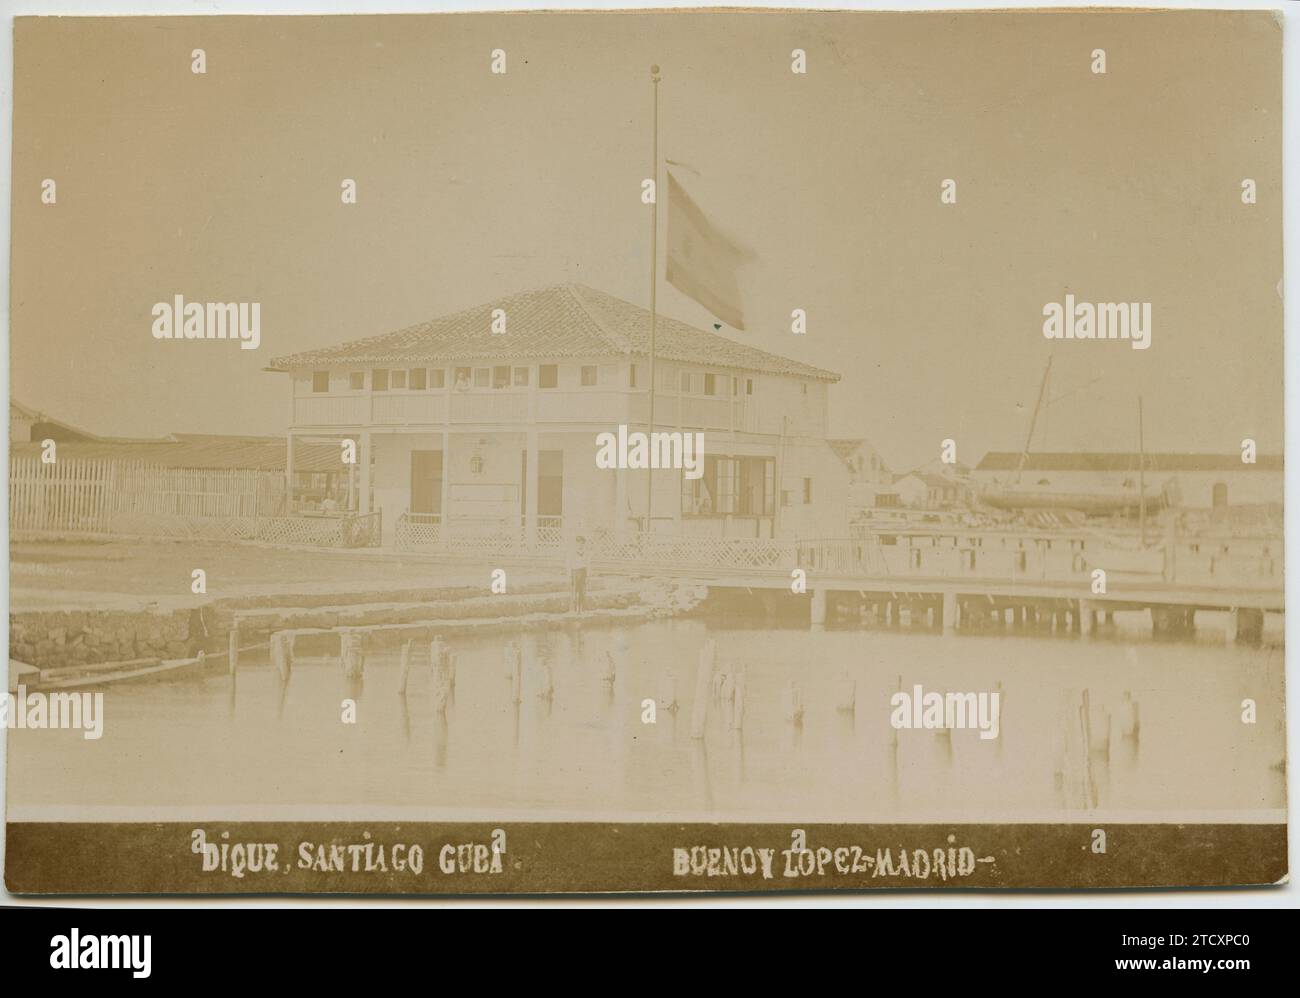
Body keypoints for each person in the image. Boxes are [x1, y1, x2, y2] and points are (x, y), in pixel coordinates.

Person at [567, 535, 589, 613]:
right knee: (574, 591)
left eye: (582, 543)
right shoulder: (572, 552)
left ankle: (581, 609)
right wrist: (569, 574)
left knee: (582, 591)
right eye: (579, 543)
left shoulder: (586, 552)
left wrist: (588, 575)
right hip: (575, 572)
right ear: (576, 543)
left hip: (583, 572)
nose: (581, 545)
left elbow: (587, 563)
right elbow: (569, 563)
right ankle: (573, 609)